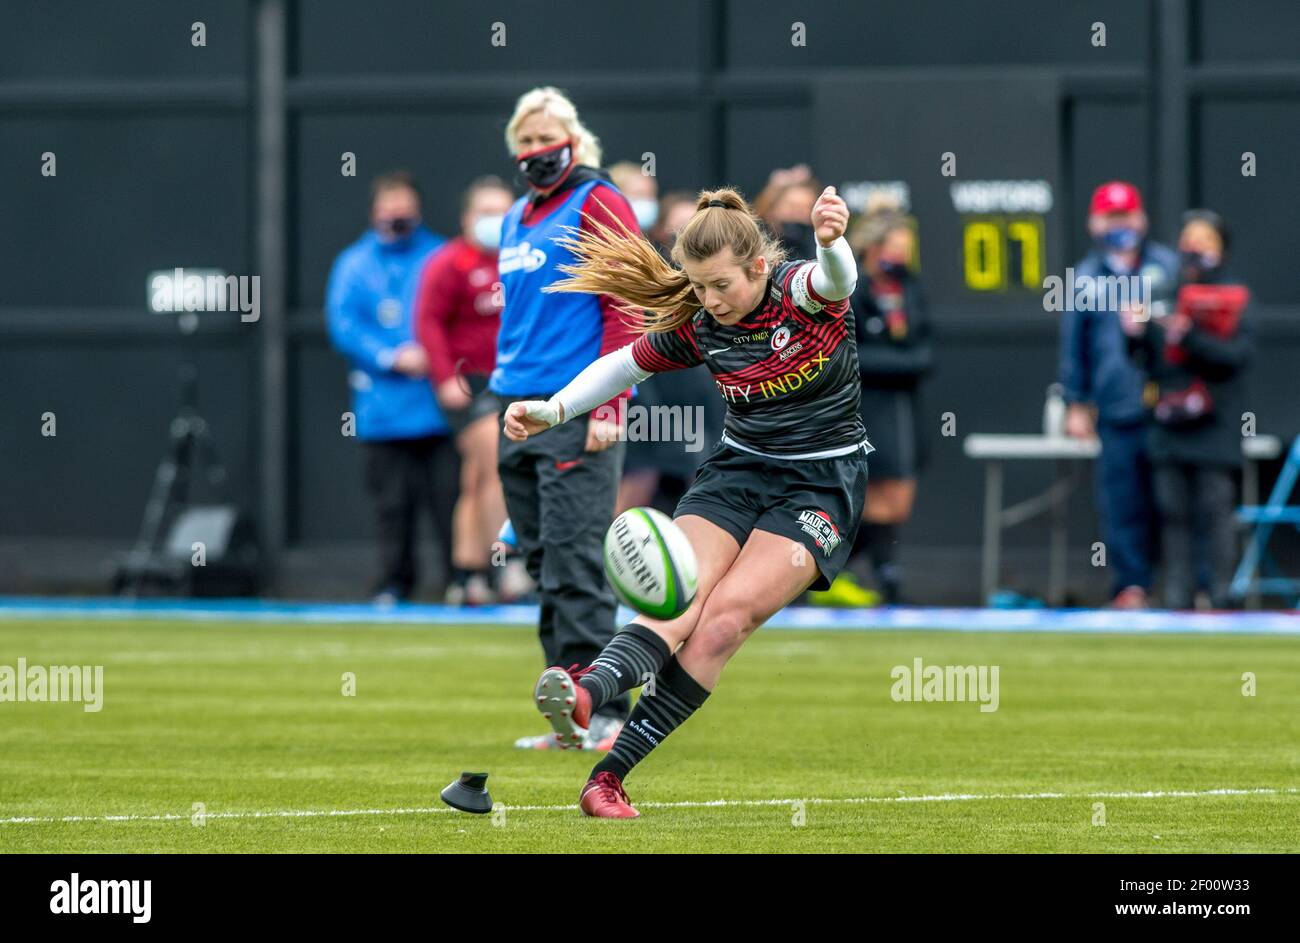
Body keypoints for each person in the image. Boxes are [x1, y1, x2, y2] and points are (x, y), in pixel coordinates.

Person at [504, 184, 868, 817]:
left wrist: (832, 242)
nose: (709, 301)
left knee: (723, 622)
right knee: (678, 597)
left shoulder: (799, 292)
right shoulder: (704, 323)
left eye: (720, 285)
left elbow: (837, 279)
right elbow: (623, 365)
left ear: (759, 267)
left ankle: (608, 778)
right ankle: (589, 693)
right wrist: (555, 409)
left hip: (820, 483)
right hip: (737, 472)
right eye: (698, 287)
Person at [491, 87, 642, 751]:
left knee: (577, 559)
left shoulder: (598, 199)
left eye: (544, 136)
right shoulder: (517, 215)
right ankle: (570, 708)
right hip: (517, 406)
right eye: (523, 141)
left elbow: (628, 302)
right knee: (544, 560)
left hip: (575, 404)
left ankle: (603, 707)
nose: (534, 150)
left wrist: (611, 401)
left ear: (574, 139)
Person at [325, 171, 457, 604]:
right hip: (383, 412)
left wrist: (434, 356)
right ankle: (393, 584)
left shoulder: (440, 255)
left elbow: (457, 317)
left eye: (404, 206)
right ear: (374, 210)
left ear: (417, 208)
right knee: (391, 508)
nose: (396, 215)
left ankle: (459, 581)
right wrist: (391, 355)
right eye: (389, 206)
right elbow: (344, 324)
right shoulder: (354, 263)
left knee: (450, 501)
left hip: (441, 408)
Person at [1120, 210, 1253, 608]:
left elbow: (1235, 356)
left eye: (1204, 240)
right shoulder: (1164, 290)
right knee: (1171, 510)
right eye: (1188, 239)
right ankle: (1176, 596)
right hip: (1169, 420)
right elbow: (1148, 360)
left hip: (1215, 422)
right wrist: (1135, 335)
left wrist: (1190, 335)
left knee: (1215, 510)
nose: (1194, 248)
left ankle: (1221, 594)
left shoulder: (1236, 294)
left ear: (1221, 248)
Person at [1059, 181, 1179, 608]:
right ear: (1095, 222)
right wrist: (1076, 402)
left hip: (1171, 407)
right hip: (1116, 405)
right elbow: (1074, 346)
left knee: (1172, 497)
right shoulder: (1086, 278)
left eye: (1125, 216)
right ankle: (1133, 585)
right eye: (1111, 217)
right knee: (1122, 498)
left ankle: (1183, 584)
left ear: (1141, 218)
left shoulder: (1169, 267)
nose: (1120, 225)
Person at [819, 200, 932, 607]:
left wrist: (901, 362)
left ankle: (852, 568)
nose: (899, 258)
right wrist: (901, 362)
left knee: (899, 496)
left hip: (904, 406)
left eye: (905, 249)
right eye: (893, 248)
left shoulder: (909, 288)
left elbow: (924, 353)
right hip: (865, 406)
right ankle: (867, 572)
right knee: (875, 494)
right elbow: (848, 353)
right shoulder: (852, 288)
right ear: (871, 247)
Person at [415, 176, 514, 605]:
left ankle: (467, 573)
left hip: (511, 379)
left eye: (502, 212)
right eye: (485, 211)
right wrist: (442, 378)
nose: (494, 220)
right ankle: (507, 564)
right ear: (466, 217)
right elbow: (428, 322)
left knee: (474, 478)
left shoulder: (519, 258)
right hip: (467, 382)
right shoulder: (449, 262)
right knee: (494, 461)